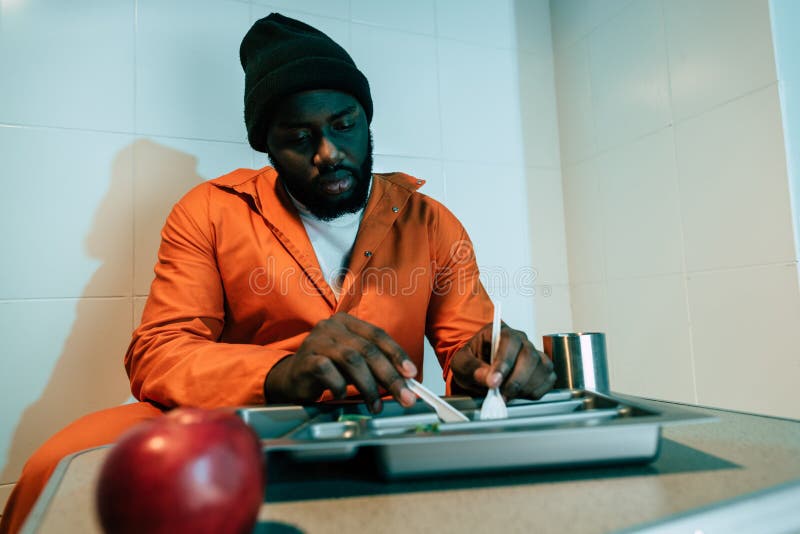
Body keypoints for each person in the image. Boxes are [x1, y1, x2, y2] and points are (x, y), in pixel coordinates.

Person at [0, 13, 555, 533]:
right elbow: (159, 352)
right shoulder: (210, 211)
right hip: (237, 429)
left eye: (345, 124)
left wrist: (489, 362)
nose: (329, 153)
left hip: (378, 431)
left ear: (366, 119)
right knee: (56, 463)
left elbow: (466, 350)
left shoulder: (430, 222)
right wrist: (282, 372)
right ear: (266, 144)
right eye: (298, 138)